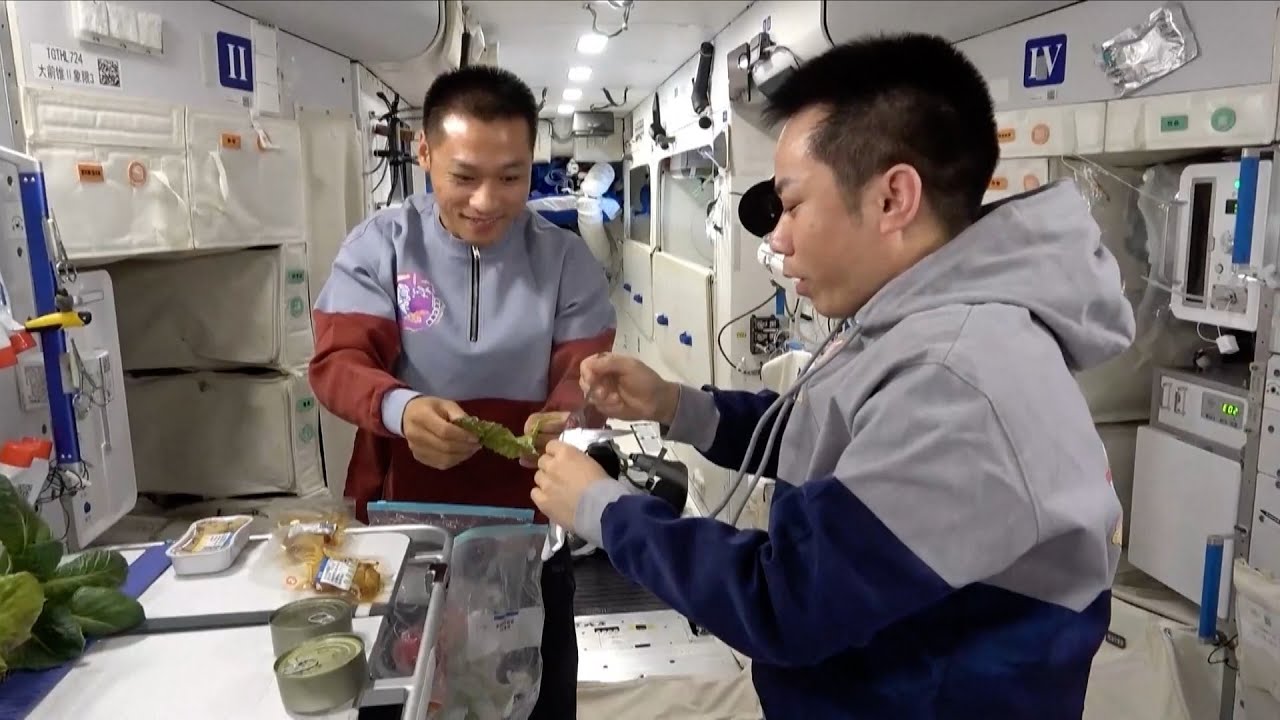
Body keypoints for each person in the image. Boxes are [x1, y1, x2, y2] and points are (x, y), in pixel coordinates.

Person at [529, 33, 1134, 719]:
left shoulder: (958, 375)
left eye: (791, 203)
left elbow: (787, 603)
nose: (777, 238)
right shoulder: (911, 327)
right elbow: (829, 435)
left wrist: (604, 511)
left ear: (891, 198)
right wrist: (674, 405)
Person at [309, 65, 616, 718]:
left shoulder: (565, 261)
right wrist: (402, 407)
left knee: (533, 690)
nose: (487, 201)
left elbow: (582, 369)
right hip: (403, 527)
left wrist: (560, 413)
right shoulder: (382, 248)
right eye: (464, 176)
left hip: (528, 528)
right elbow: (338, 363)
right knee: (403, 694)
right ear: (423, 153)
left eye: (511, 177)